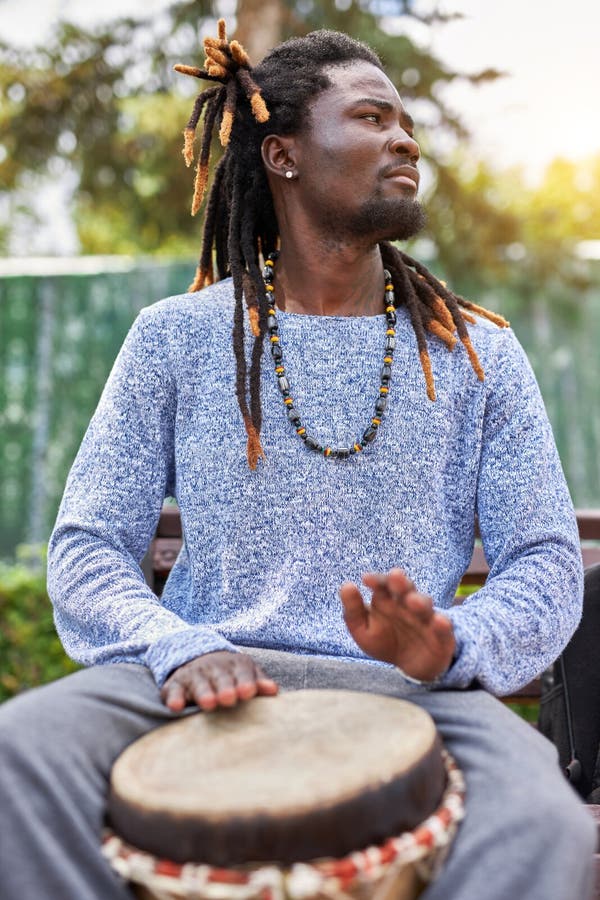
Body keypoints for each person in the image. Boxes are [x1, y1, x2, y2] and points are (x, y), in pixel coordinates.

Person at [0, 21, 595, 900]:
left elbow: (545, 564)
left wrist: (451, 641)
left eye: (408, 124)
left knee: (540, 823)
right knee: (17, 762)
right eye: (371, 117)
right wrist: (177, 647)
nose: (405, 139)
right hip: (201, 677)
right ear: (282, 154)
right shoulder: (177, 338)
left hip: (412, 693)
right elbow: (87, 549)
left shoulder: (475, 353)